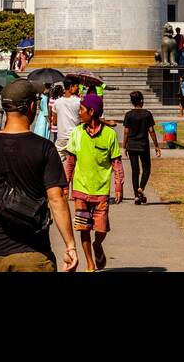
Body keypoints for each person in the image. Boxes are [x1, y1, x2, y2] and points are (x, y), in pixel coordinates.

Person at [0, 78, 78, 273]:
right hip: (35, 253)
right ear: (32, 106)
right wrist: (70, 245)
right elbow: (57, 199)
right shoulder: (44, 148)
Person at [64, 93, 123, 273]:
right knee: (83, 228)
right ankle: (89, 264)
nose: (79, 113)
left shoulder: (109, 135)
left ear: (91, 112)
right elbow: (70, 162)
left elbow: (117, 163)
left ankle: (98, 245)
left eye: (81, 110)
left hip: (101, 191)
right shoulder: (77, 133)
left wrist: (118, 186)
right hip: (81, 191)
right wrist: (66, 185)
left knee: (101, 228)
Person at [122, 91, 161, 204]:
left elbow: (126, 132)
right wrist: (157, 146)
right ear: (142, 101)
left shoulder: (128, 115)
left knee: (135, 171)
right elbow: (151, 130)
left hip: (132, 145)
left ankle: (136, 196)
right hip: (143, 145)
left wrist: (124, 146)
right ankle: (141, 188)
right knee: (146, 169)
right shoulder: (147, 114)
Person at [51, 77, 82, 169]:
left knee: (57, 166)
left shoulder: (57, 102)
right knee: (74, 167)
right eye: (77, 86)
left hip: (61, 138)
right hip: (75, 137)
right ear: (71, 87)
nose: (78, 88)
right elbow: (83, 118)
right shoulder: (79, 102)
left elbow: (55, 122)